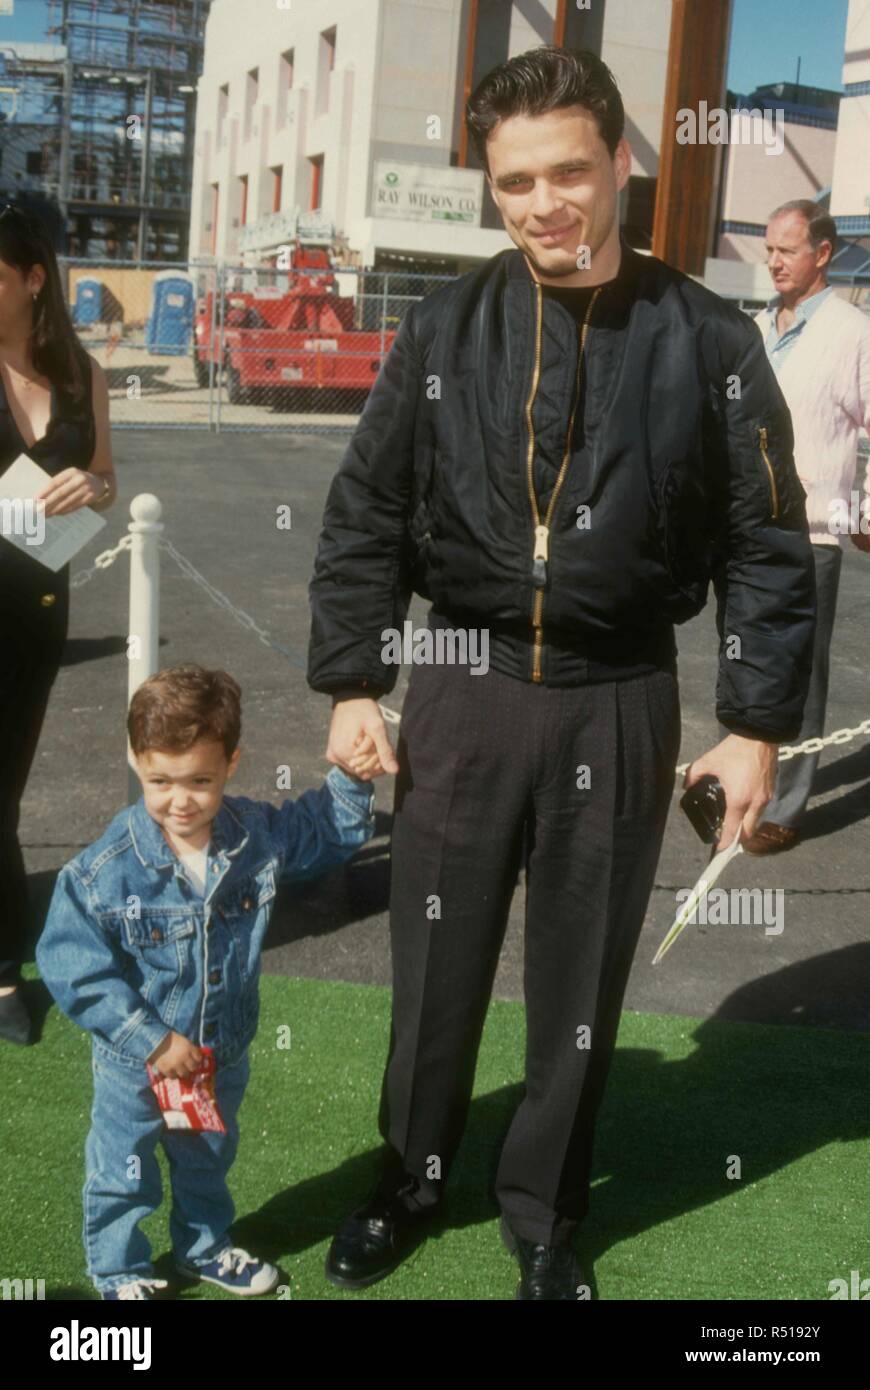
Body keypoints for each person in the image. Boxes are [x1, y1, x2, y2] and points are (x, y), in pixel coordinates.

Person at [307, 46, 816, 1300]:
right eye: (516, 180)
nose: (544, 203)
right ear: (493, 186)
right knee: (435, 965)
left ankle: (543, 1208)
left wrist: (752, 723)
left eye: (569, 172)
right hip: (464, 689)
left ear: (623, 161)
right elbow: (367, 509)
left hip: (621, 696)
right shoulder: (444, 325)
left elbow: (767, 539)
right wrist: (351, 683)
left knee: (581, 977)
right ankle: (414, 1174)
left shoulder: (710, 338)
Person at [36, 664, 375, 1300]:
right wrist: (151, 1040)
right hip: (135, 1064)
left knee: (207, 1159)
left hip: (220, 1051)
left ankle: (203, 1248)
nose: (180, 799)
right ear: (137, 762)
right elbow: (70, 964)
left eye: (200, 780)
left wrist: (353, 776)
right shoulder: (105, 871)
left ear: (231, 763)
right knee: (122, 1168)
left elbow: (323, 830)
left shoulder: (251, 837)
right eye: (160, 780)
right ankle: (119, 1271)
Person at [0, 202, 115, 1046]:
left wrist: (92, 490)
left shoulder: (80, 374)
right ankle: (4, 968)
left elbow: (107, 479)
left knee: (7, 788)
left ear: (34, 278)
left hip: (40, 601)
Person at [735, 200, 870, 854]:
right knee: (747, 663)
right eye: (768, 249)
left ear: (824, 253)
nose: (774, 261)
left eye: (787, 249)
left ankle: (785, 804)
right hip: (746, 530)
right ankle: (745, 781)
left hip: (813, 531)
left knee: (800, 674)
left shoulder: (853, 331)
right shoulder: (758, 327)